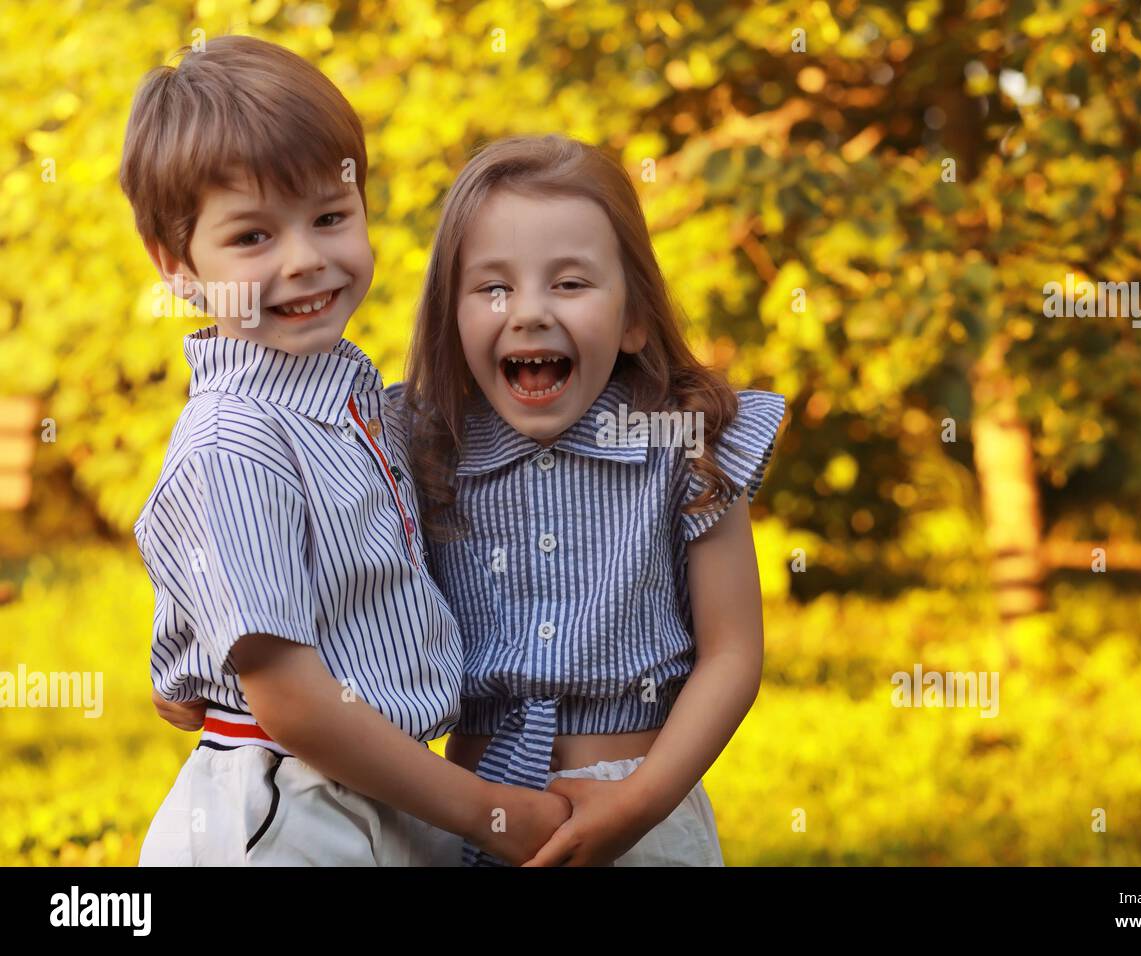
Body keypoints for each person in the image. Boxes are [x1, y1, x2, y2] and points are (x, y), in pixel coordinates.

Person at [122, 36, 568, 866]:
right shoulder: (238, 435)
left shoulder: (348, 396)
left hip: (383, 787)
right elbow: (293, 703)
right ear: (177, 265)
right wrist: (484, 811)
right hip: (290, 808)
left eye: (330, 217)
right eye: (252, 237)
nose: (305, 260)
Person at [403, 134, 786, 865]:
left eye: (570, 284)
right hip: (471, 810)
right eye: (493, 287)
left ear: (634, 316)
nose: (530, 312)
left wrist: (639, 802)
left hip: (639, 811)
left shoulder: (687, 443)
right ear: (452, 315)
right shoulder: (427, 449)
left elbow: (732, 656)